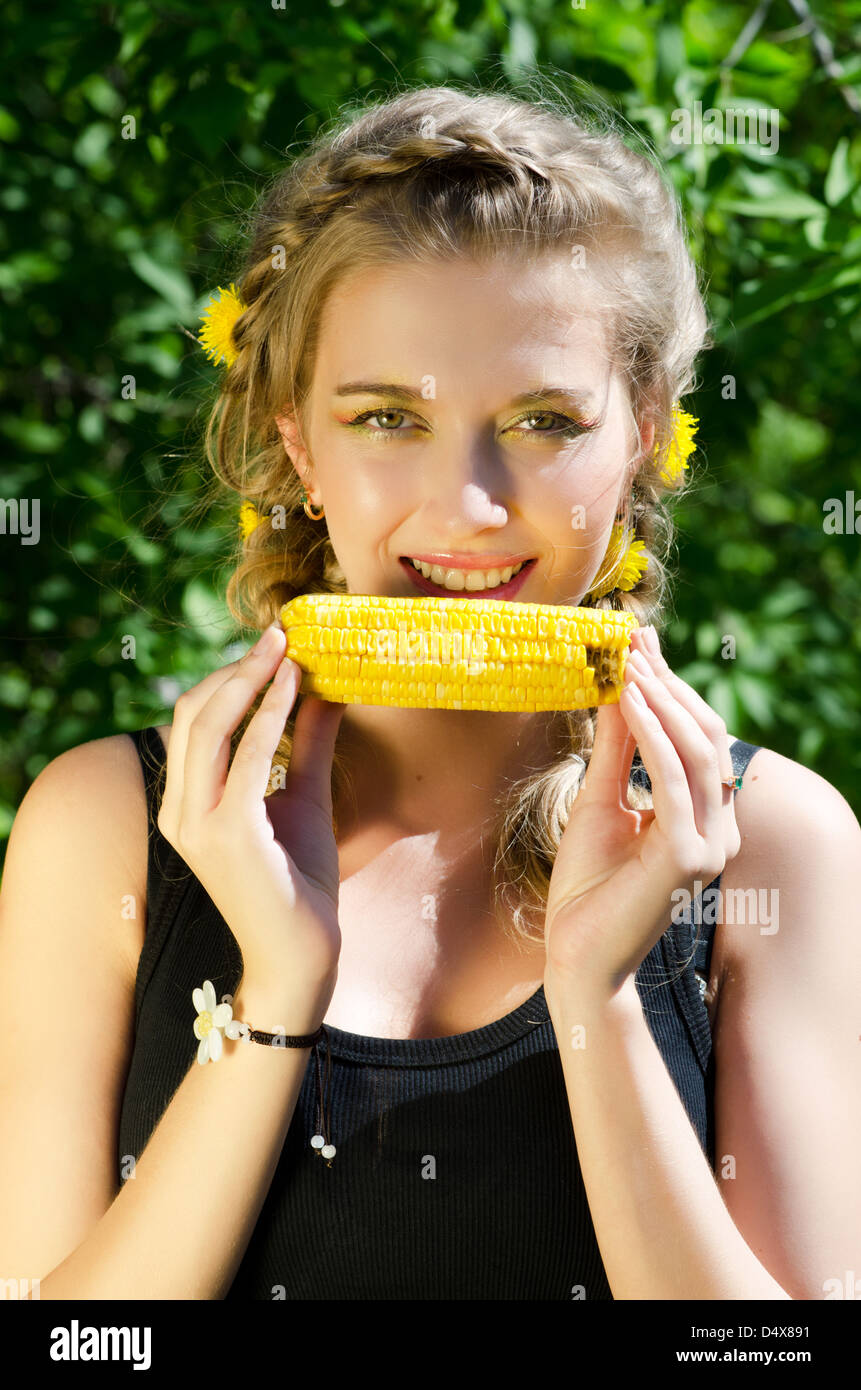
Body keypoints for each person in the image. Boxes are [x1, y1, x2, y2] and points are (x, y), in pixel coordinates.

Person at [1, 82, 858, 1302]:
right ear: (298, 439)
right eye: (388, 416)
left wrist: (600, 1003)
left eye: (545, 419)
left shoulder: (771, 847)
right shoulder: (105, 833)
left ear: (648, 434)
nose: (468, 505)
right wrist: (276, 994)